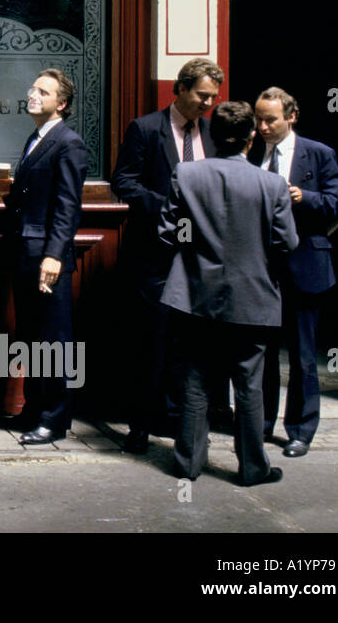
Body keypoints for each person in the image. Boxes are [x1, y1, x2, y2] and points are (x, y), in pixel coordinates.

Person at [157, 101, 297, 486]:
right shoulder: (272, 184)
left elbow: (170, 233)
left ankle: (188, 464)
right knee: (249, 386)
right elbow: (286, 242)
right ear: (251, 138)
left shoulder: (186, 174)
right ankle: (253, 467)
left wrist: (196, 240)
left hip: (194, 294)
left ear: (210, 136)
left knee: (195, 381)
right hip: (252, 297)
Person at [111, 57, 223, 453]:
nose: (207, 104)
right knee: (148, 342)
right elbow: (122, 180)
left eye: (213, 97)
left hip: (200, 257)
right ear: (180, 88)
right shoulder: (146, 128)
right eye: (201, 95)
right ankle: (140, 426)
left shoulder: (213, 132)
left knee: (189, 344)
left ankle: (183, 424)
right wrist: (168, 206)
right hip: (153, 254)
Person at [251, 87, 338, 458]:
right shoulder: (252, 152)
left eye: (271, 119)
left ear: (292, 116)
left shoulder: (319, 154)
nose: (263, 127)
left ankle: (300, 431)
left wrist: (304, 197)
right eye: (259, 119)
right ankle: (260, 424)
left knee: (304, 354)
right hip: (262, 269)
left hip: (306, 265)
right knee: (263, 352)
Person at [0, 69, 89, 445]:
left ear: (61, 104)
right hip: (25, 250)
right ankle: (35, 411)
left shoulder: (69, 143)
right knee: (33, 336)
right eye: (32, 88)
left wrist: (54, 255)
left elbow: (68, 206)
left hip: (47, 256)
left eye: (42, 91)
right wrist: (9, 192)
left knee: (55, 339)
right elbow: (33, 198)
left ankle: (54, 419)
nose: (32, 94)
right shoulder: (35, 138)